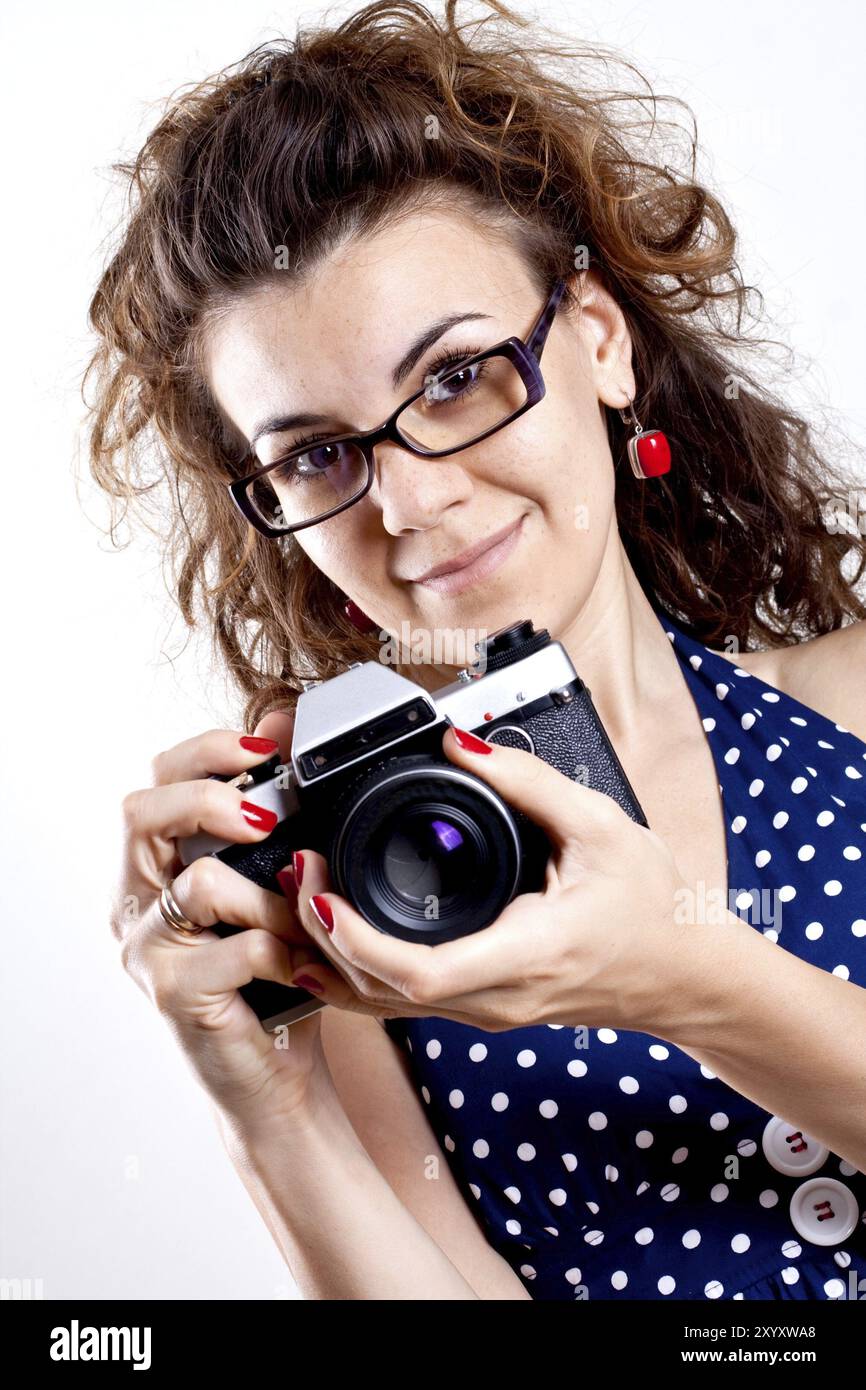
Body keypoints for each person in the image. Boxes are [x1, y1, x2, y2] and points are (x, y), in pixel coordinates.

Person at [83, 0, 866, 1300]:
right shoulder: (341, 876)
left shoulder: (850, 710)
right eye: (317, 454)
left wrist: (677, 977)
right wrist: (263, 1099)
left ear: (600, 343)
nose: (410, 500)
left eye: (454, 378)